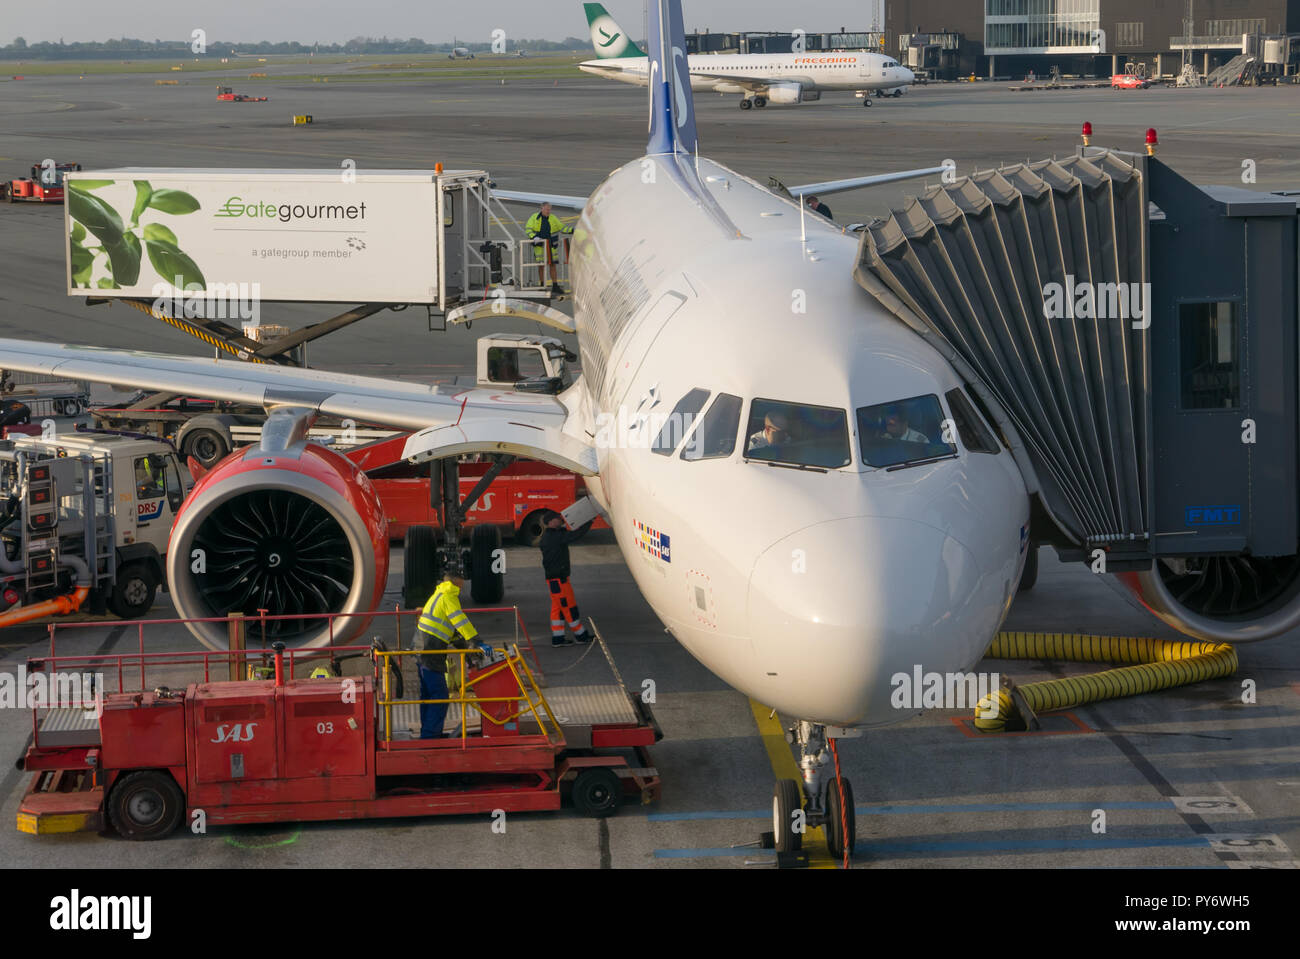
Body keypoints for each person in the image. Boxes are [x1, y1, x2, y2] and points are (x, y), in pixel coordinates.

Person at [416, 574, 490, 738]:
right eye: (460, 586)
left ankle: (428, 734)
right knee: (440, 694)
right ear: (456, 583)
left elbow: (451, 630)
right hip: (431, 651)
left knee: (428, 694)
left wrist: (465, 649)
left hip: (422, 649)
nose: (461, 589)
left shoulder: (438, 594)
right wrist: (477, 642)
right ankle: (431, 736)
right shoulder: (449, 596)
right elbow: (460, 621)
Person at [540, 511, 594, 646]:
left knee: (557, 610)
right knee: (569, 608)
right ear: (551, 522)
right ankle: (581, 636)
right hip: (560, 581)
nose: (560, 519)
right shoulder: (555, 537)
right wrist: (589, 521)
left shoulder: (549, 536)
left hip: (554, 580)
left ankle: (558, 638)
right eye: (557, 518)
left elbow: (566, 535)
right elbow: (575, 535)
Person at [524, 201, 572, 296]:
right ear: (541, 208)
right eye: (546, 209)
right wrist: (534, 237)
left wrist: (573, 230)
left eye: (549, 209)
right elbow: (528, 229)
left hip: (551, 247)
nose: (548, 211)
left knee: (552, 265)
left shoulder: (553, 218)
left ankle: (555, 285)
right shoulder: (534, 217)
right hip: (540, 247)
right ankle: (542, 285)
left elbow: (562, 228)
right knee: (541, 266)